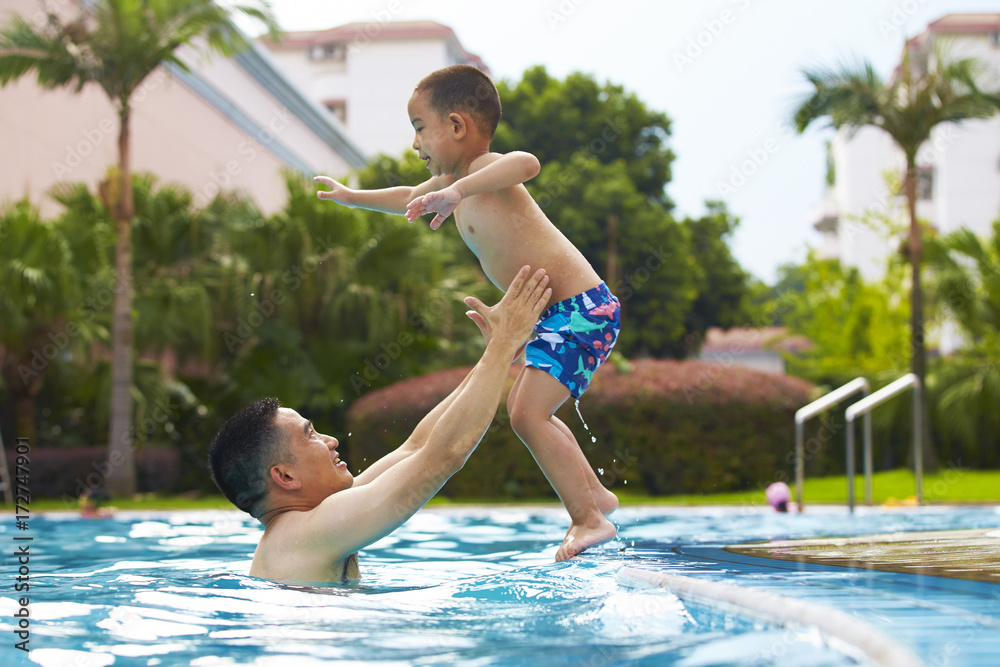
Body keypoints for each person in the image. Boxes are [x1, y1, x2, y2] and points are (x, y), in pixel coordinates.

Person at [314, 65, 622, 561]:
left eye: (419, 127)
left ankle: (589, 519)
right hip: (556, 316)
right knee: (526, 405)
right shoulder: (450, 182)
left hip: (579, 308)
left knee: (526, 414)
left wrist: (460, 190)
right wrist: (353, 200)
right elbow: (404, 198)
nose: (415, 144)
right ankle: (595, 495)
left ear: (457, 126)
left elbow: (528, 163)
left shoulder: (482, 172)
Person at [209, 267, 552, 583]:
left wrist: (497, 353)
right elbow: (444, 456)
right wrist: (504, 342)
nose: (330, 441)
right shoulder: (305, 533)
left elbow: (418, 447)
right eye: (310, 435)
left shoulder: (311, 522)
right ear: (285, 477)